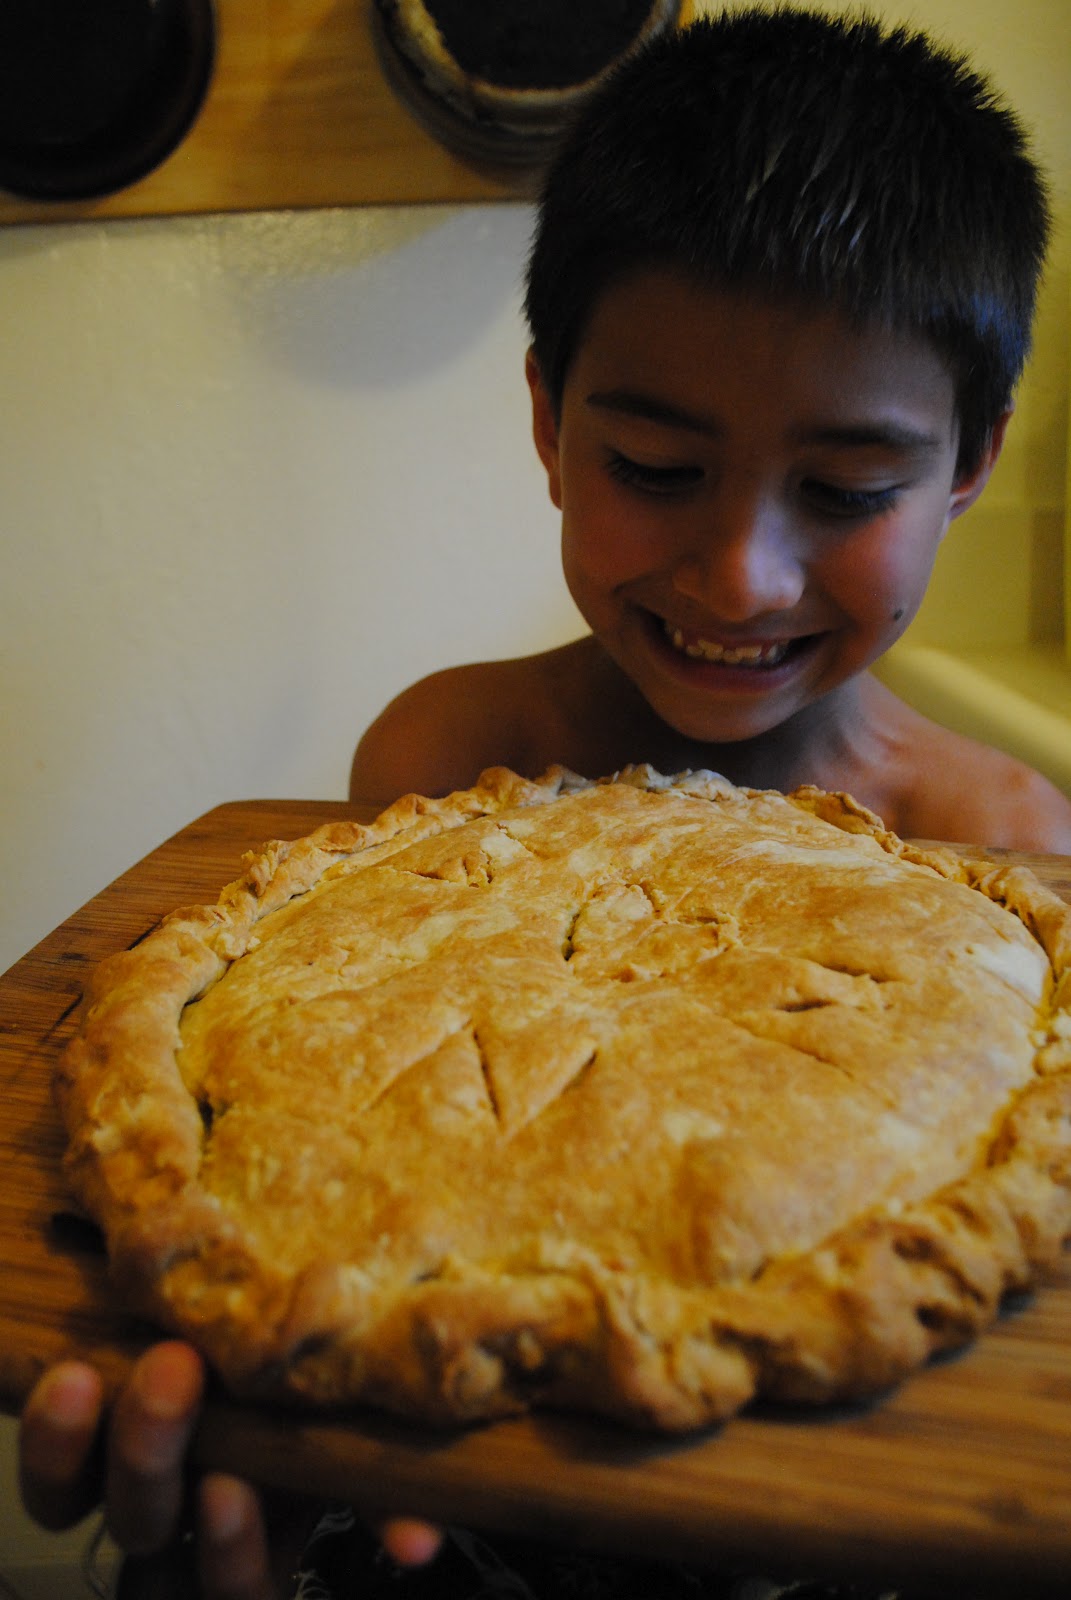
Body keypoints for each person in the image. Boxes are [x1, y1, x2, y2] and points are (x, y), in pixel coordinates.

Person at [18, 9, 1071, 1599]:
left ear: (970, 462)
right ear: (547, 422)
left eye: (848, 492)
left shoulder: (1014, 846)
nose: (742, 575)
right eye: (656, 463)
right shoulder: (443, 762)